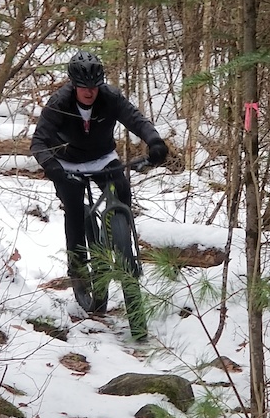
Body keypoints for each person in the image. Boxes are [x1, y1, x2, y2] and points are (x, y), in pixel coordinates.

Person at [30, 50, 168, 289]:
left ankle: (123, 245)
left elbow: (136, 120)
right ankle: (78, 266)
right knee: (73, 208)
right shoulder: (59, 103)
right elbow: (38, 142)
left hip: (102, 158)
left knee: (122, 190)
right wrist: (53, 168)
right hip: (67, 163)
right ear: (73, 85)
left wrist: (154, 141)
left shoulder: (110, 97)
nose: (89, 92)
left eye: (94, 86)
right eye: (84, 87)